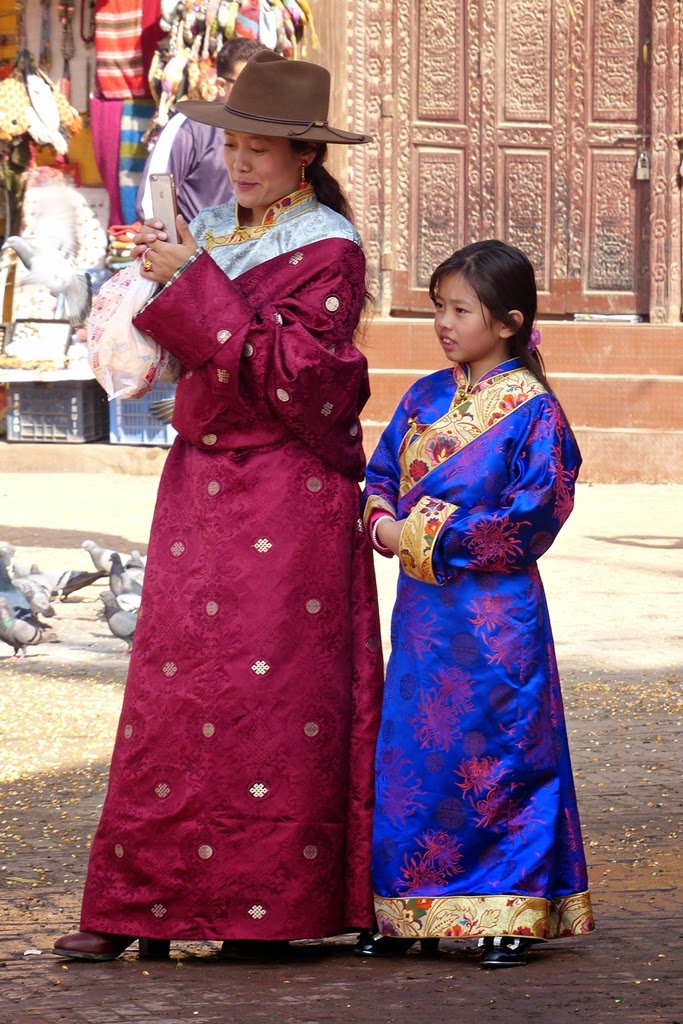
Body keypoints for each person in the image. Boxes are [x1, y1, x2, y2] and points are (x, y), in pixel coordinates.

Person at [54, 50, 384, 962]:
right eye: (233, 145)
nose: (240, 165)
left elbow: (306, 378)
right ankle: (140, 906)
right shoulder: (211, 225)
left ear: (303, 158)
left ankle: (264, 909)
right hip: (201, 482)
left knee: (270, 698)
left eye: (261, 151)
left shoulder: (328, 248)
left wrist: (194, 281)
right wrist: (155, 291)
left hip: (288, 488)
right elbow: (189, 344)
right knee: (170, 692)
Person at [358, 240, 595, 968]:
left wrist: (416, 532)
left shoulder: (536, 413)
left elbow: (532, 519)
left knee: (500, 754)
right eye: (437, 307)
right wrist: (377, 519)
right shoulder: (423, 395)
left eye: (459, 309)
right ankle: (410, 912)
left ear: (507, 321)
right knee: (416, 756)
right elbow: (378, 473)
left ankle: (510, 910)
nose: (442, 322)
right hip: (424, 619)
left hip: (497, 621)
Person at [135, 38, 266, 224]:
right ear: (221, 86)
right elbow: (153, 202)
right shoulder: (189, 127)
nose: (259, 95)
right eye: (250, 86)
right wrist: (183, 250)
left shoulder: (275, 130)